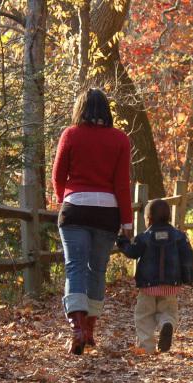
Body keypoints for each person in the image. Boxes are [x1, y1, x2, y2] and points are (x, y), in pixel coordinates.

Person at [52, 88, 133, 355]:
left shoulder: (71, 134)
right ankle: (89, 329)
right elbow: (122, 184)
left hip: (75, 209)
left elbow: (58, 176)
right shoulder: (120, 139)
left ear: (80, 109)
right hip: (106, 213)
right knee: (97, 270)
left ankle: (76, 327)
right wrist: (127, 223)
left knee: (74, 267)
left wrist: (64, 199)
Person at [117, 199, 193, 354]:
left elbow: (132, 252)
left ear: (149, 220)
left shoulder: (143, 238)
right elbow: (187, 257)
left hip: (148, 286)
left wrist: (123, 242)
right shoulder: (179, 237)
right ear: (169, 218)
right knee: (169, 312)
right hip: (171, 285)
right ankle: (167, 323)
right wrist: (188, 277)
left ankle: (147, 347)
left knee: (143, 316)